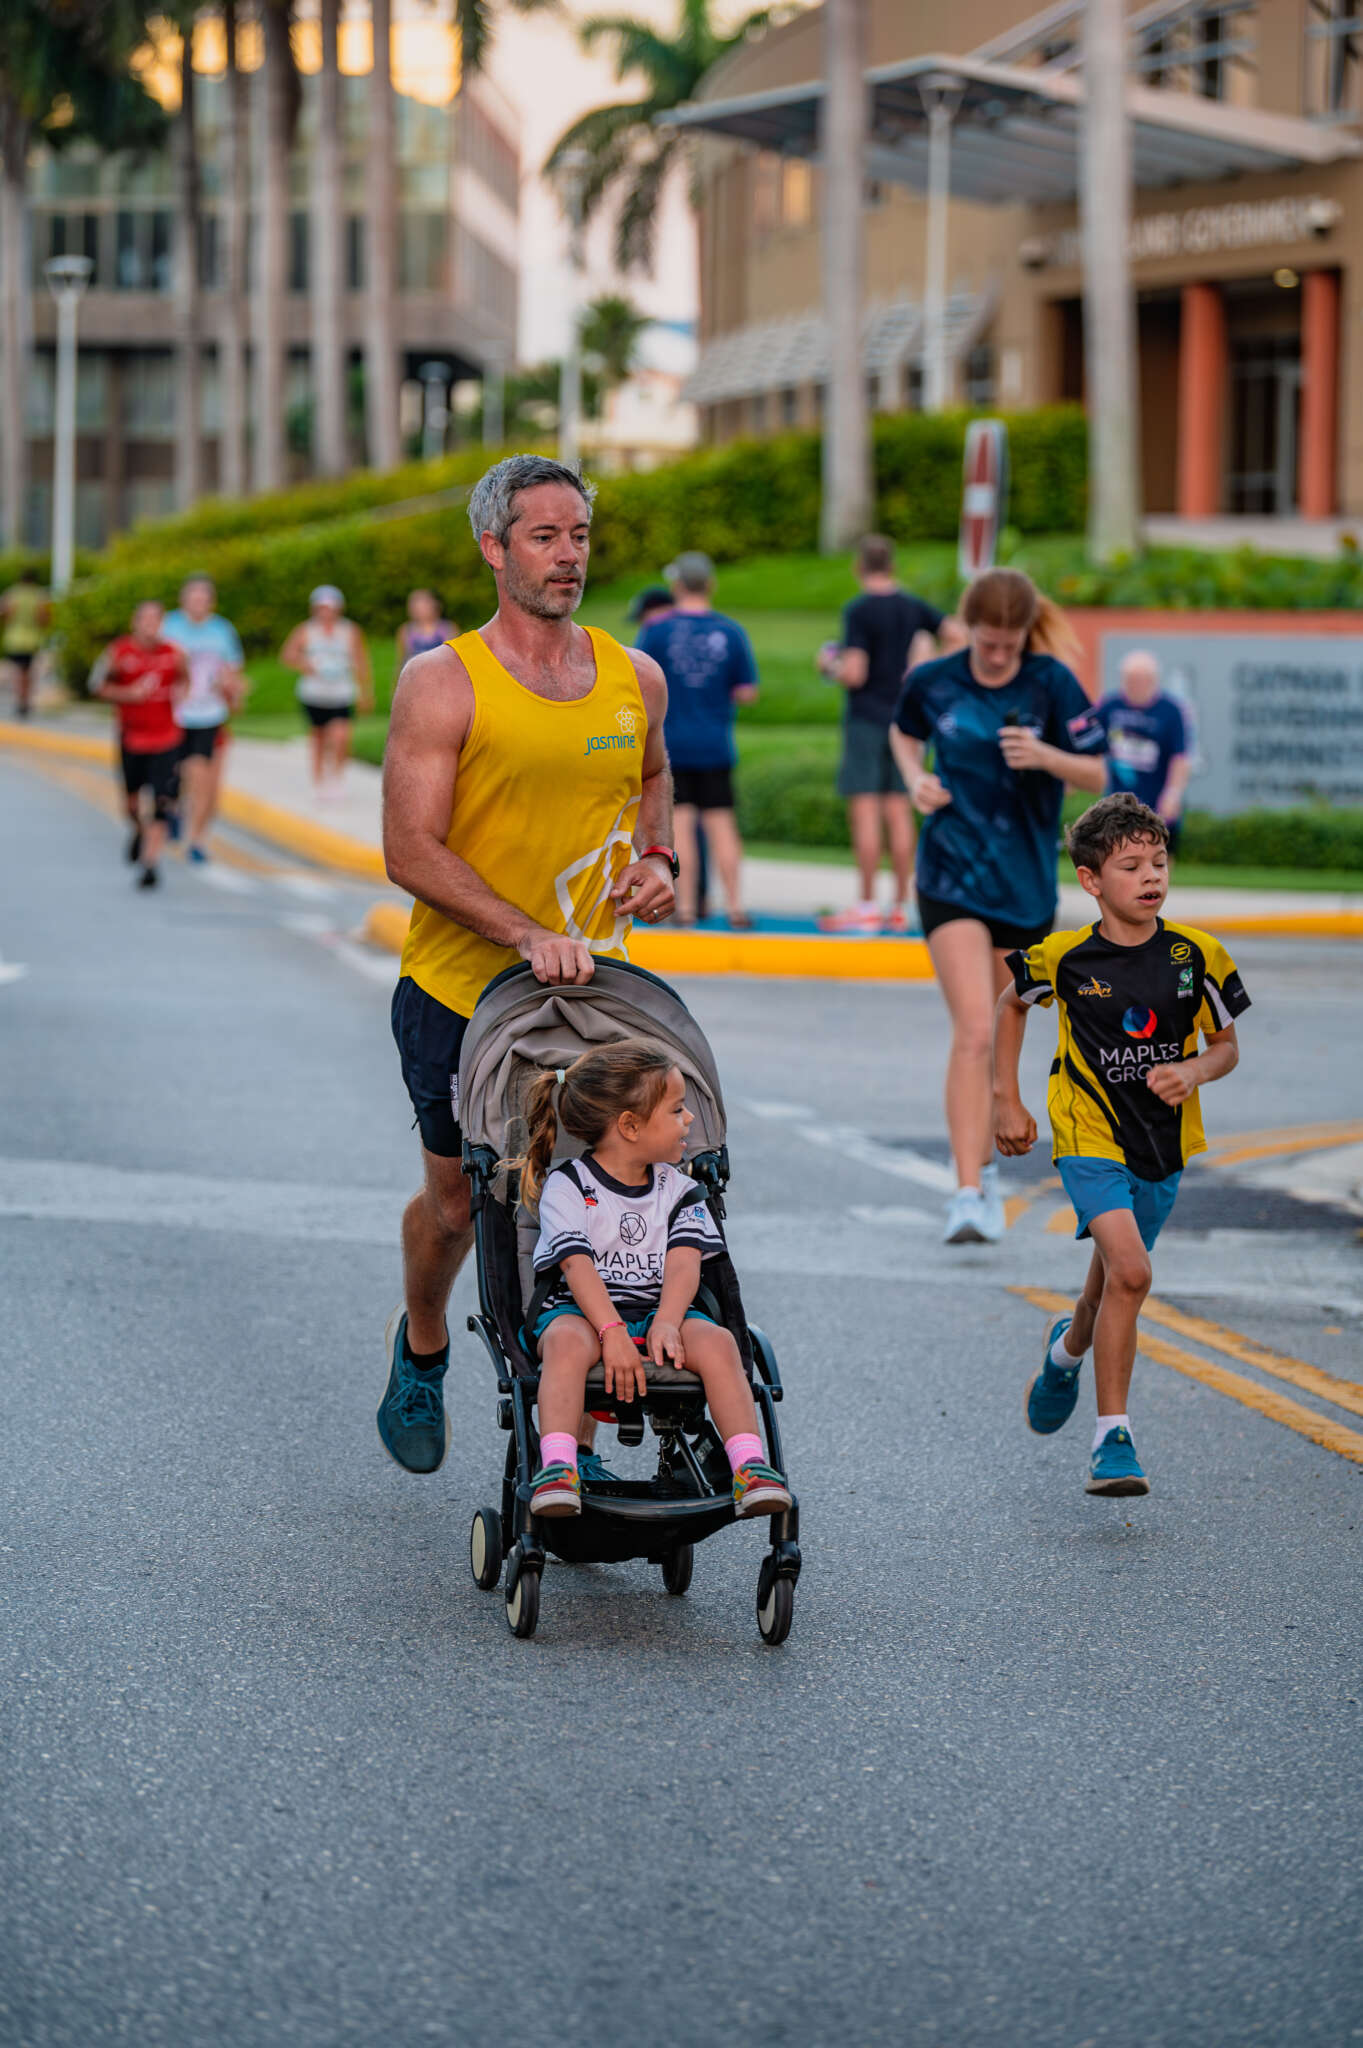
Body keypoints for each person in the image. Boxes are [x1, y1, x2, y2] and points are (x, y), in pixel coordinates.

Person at [377, 453, 678, 1479]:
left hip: (592, 998)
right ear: (492, 547)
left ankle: (569, 1446)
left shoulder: (635, 673)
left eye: (579, 535)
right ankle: (421, 1346)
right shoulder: (442, 679)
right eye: (543, 537)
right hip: (461, 994)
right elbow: (409, 849)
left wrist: (658, 855)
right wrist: (520, 931)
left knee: (583, 1207)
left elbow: (653, 773)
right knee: (461, 1206)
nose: (566, 556)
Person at [993, 792, 1250, 1497]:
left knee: (1110, 1281)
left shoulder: (1197, 954)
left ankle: (1065, 1352)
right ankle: (1113, 1441)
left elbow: (1225, 1047)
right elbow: (1009, 1001)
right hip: (1087, 1134)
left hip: (1162, 1146)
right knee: (1132, 1274)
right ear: (1089, 880)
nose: (1150, 877)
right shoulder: (1066, 957)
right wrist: (1005, 1099)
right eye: (1131, 865)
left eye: (1158, 862)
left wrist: (1193, 1068)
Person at [890, 567, 1108, 1246]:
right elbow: (901, 732)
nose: (994, 656)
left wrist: (1046, 756)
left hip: (1022, 884)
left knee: (1001, 1030)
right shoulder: (934, 680)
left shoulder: (1050, 684)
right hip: (949, 872)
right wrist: (916, 780)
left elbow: (1100, 771)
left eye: (1006, 645)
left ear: (1023, 634)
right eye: (985, 643)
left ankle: (982, 1163)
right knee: (974, 1030)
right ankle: (966, 1189)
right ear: (968, 628)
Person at [514, 1039, 793, 1520]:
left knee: (719, 1341)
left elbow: (685, 1263)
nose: (689, 1121)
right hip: (582, 1314)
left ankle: (749, 1464)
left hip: (657, 1309)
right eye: (677, 1110)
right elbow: (576, 1265)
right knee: (563, 1343)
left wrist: (666, 1321)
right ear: (630, 1126)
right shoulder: (569, 1186)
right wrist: (612, 1333)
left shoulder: (679, 1189)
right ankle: (558, 1466)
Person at [816, 535, 965, 934]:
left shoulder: (860, 610)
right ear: (892, 565)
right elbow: (956, 631)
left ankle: (866, 904)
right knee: (900, 811)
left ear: (859, 567)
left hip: (866, 718)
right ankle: (901, 906)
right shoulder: (912, 605)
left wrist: (828, 664)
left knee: (866, 811)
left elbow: (855, 672)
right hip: (906, 720)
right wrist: (928, 667)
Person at [636, 551, 758, 929]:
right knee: (722, 823)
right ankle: (735, 907)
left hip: (671, 746)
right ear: (711, 584)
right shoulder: (731, 631)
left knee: (682, 825)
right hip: (716, 743)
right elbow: (747, 692)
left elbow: (639, 682)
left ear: (676, 586)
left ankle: (686, 908)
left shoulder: (656, 632)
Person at [90, 600, 188, 890]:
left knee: (162, 800)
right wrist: (127, 693)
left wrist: (181, 696)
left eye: (156, 621)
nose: (151, 627)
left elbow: (185, 680)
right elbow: (98, 687)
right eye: (145, 620)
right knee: (132, 803)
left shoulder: (175, 653)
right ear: (135, 622)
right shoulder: (118, 652)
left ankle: (150, 862)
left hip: (166, 737)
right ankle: (139, 830)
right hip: (132, 738)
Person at [161, 575, 247, 864]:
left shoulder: (222, 631)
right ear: (183, 600)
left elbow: (233, 670)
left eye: (204, 599)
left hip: (209, 713)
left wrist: (231, 689)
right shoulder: (168, 627)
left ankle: (195, 839)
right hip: (173, 714)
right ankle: (172, 808)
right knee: (176, 773)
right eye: (193, 598)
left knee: (203, 777)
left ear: (211, 602)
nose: (198, 604)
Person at [279, 585, 373, 799]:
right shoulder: (306, 630)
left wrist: (366, 691)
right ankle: (319, 780)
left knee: (341, 737)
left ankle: (337, 777)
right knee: (319, 738)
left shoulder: (350, 631)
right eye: (322, 607)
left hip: (341, 693)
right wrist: (305, 664)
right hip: (315, 694)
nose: (326, 612)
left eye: (330, 607)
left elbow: (361, 661)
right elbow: (287, 656)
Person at [1095, 649, 1192, 856]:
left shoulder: (1171, 710)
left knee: (1159, 854)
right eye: (1130, 679)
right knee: (1118, 853)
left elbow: (1180, 757)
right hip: (1118, 798)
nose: (1135, 685)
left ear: (1153, 680)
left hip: (1156, 798)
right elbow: (1090, 744)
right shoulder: (1110, 706)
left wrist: (1173, 794)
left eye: (1141, 680)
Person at [1, 571, 51, 718]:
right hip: (32, 639)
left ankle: (20, 700)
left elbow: (6, 614)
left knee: (17, 671)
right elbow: (43, 618)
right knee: (28, 671)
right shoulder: (39, 595)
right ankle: (26, 700)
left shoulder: (12, 593)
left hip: (14, 638)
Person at [397, 588, 457, 665]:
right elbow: (402, 661)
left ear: (435, 605)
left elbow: (453, 659)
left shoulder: (448, 628)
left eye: (423, 604)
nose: (418, 609)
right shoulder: (406, 630)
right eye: (414, 605)